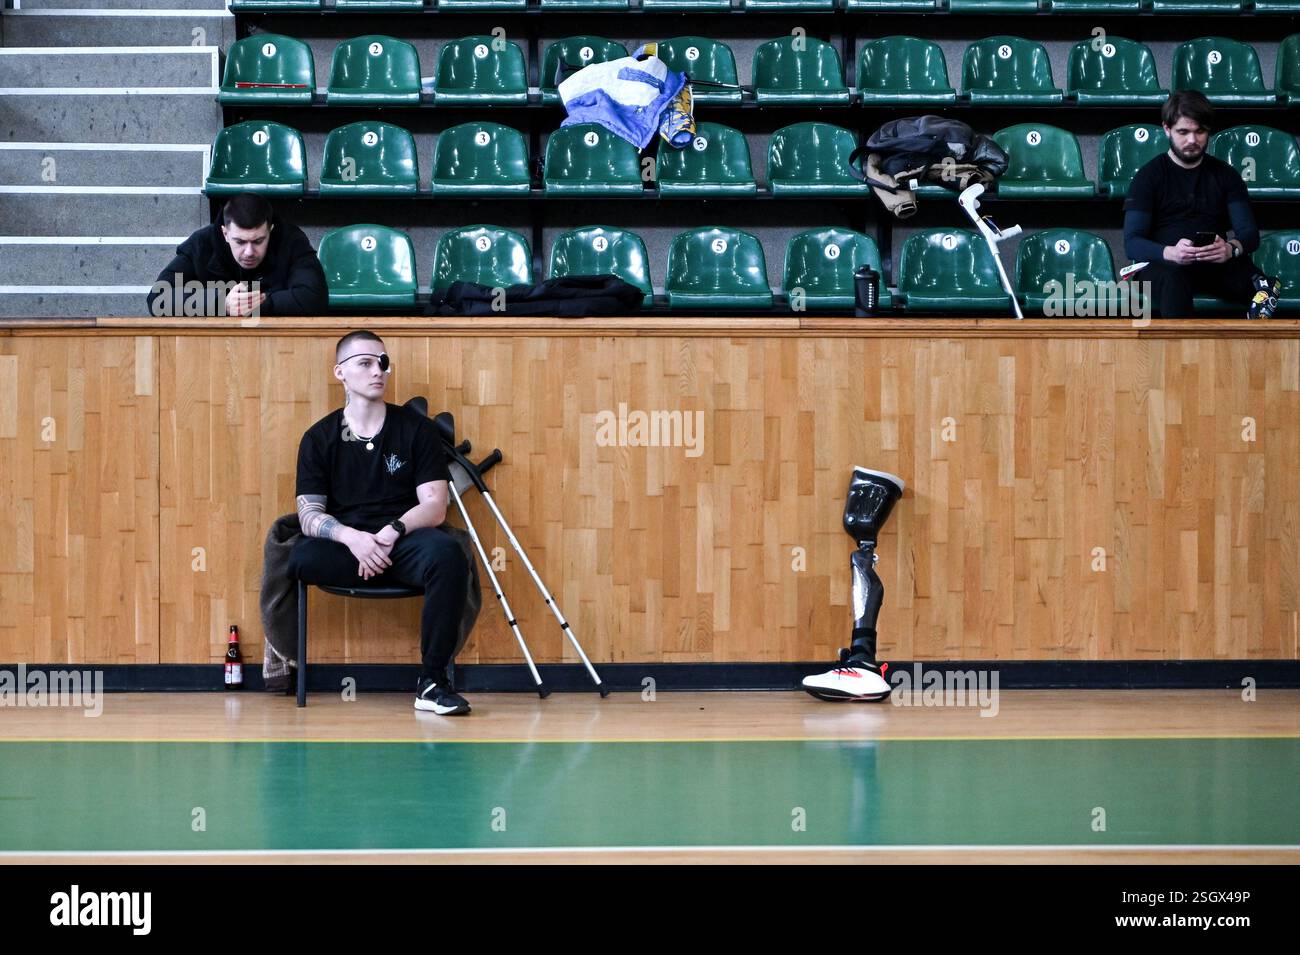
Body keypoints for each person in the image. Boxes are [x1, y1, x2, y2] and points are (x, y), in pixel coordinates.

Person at [289, 330, 472, 715]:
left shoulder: (416, 429)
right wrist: (353, 538)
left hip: (402, 544)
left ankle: (432, 683)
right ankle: (284, 663)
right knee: (299, 559)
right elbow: (309, 514)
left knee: (449, 554)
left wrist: (392, 531)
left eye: (383, 362)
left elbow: (435, 506)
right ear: (340, 372)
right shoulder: (319, 437)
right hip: (345, 549)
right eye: (366, 363)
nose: (378, 371)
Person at [1124, 91, 1281, 319]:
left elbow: (1249, 234)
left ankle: (1245, 351)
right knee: (1174, 278)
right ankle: (1182, 354)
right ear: (1167, 129)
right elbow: (1132, 244)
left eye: (1200, 131)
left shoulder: (1226, 174)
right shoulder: (1148, 176)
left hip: (1212, 263)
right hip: (1164, 265)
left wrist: (1230, 248)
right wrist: (1171, 252)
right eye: (1183, 132)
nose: (1192, 140)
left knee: (1264, 288)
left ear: (1208, 131)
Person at [145, 193, 327, 317]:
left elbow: (315, 298)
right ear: (225, 233)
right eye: (240, 242)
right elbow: (158, 298)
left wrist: (257, 304)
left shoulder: (291, 240)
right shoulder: (201, 243)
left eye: (258, 241)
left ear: (270, 231)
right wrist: (222, 303)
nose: (249, 252)